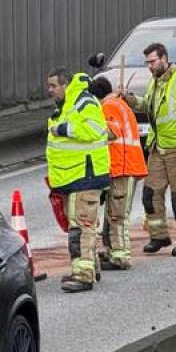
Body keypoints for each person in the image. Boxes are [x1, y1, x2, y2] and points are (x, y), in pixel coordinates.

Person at [127, 43, 176, 257]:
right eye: (147, 63)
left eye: (152, 62)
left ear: (164, 58)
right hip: (158, 148)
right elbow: (148, 106)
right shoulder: (156, 83)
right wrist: (131, 100)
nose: (150, 67)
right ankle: (159, 235)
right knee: (150, 195)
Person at [45, 68, 111, 293]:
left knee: (82, 227)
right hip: (73, 176)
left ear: (65, 84)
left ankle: (84, 274)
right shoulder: (66, 105)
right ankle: (86, 268)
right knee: (79, 226)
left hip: (86, 175)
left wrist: (63, 129)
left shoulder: (84, 102)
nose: (50, 91)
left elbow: (95, 129)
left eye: (53, 86)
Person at [89, 75, 147, 271]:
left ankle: (120, 255)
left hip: (123, 167)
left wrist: (89, 125)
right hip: (125, 166)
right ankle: (112, 250)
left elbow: (111, 132)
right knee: (114, 212)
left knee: (118, 215)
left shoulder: (109, 107)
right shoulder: (119, 104)